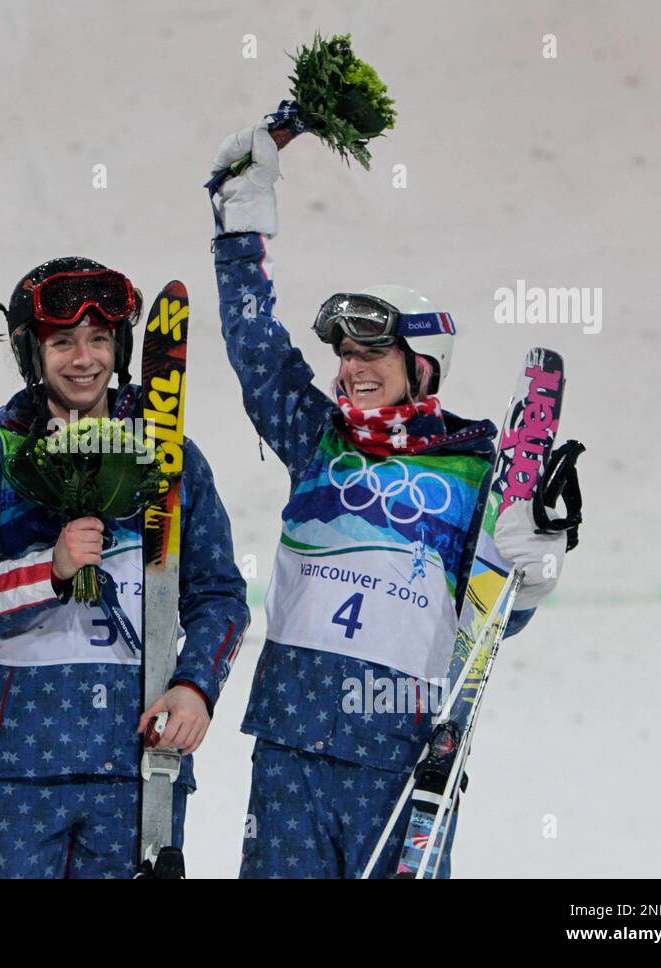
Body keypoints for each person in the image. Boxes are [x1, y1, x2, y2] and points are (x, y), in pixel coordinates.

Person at [207, 121, 568, 878]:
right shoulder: (320, 441)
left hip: (401, 752)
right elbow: (256, 351)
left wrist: (532, 575)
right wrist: (239, 228)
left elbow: (492, 620)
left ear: (424, 365)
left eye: (372, 352)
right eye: (344, 353)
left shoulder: (477, 472)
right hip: (292, 742)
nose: (351, 368)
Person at [0, 258, 249, 878]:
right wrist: (47, 571)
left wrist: (195, 686)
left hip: (137, 761)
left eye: (99, 338)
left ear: (121, 345)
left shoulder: (173, 460)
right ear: (31, 350)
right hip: (14, 765)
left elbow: (219, 595)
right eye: (63, 342)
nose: (84, 359)